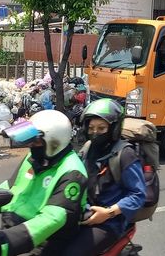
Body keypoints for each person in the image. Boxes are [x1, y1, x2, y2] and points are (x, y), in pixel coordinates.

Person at [0, 110, 88, 256]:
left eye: (36, 141)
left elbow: (52, 218)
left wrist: (2, 239)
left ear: (54, 141)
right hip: (15, 236)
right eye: (30, 140)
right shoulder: (34, 158)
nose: (31, 145)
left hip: (43, 243)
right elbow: (9, 189)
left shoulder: (72, 171)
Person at [62, 98, 146, 256]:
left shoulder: (125, 154)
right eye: (91, 128)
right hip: (82, 213)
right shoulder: (88, 149)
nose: (95, 133)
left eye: (101, 128)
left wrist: (108, 213)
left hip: (109, 222)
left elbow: (138, 195)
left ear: (113, 129)